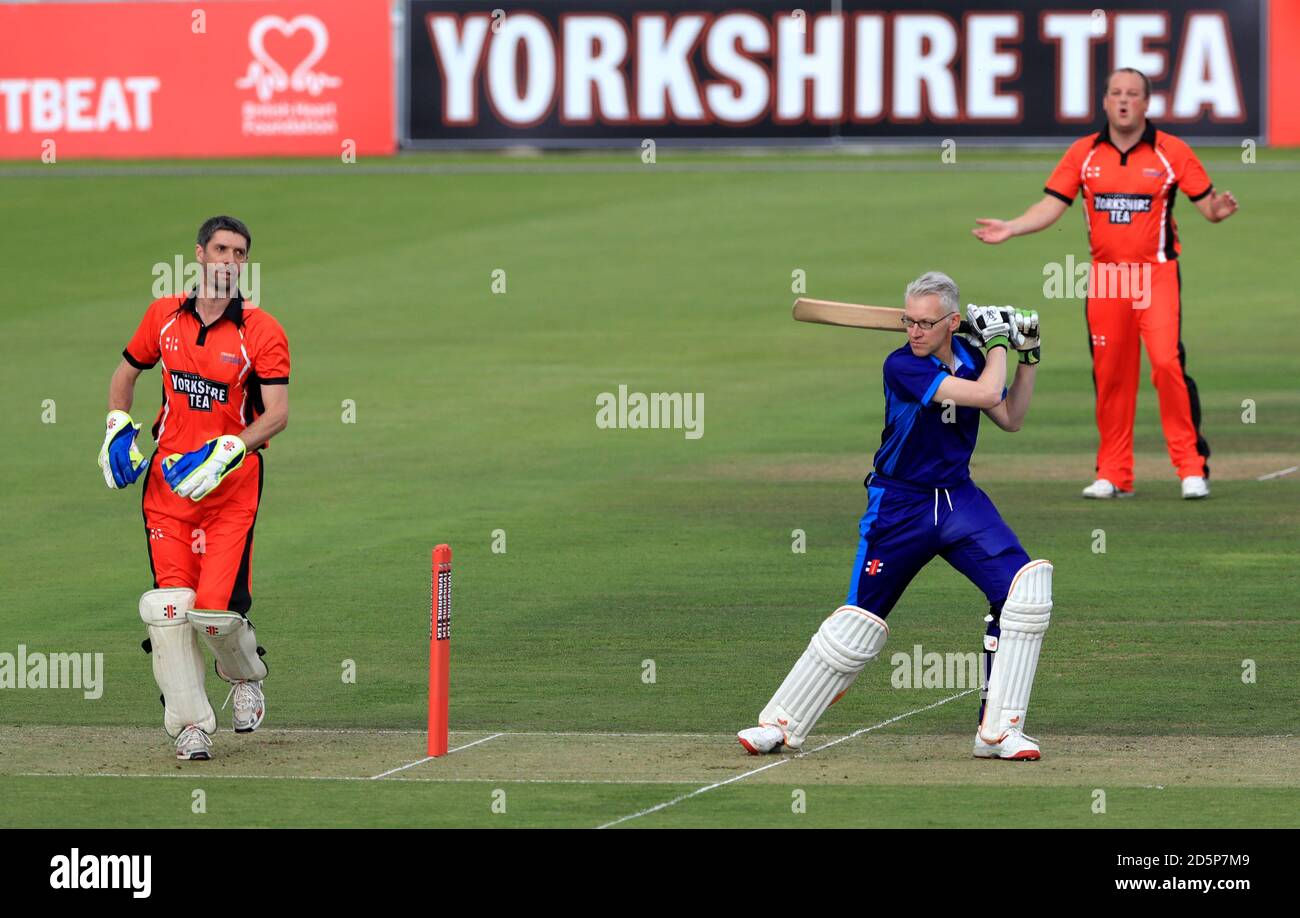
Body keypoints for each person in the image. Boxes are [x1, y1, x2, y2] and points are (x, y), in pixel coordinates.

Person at [737, 272, 1053, 761]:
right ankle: (779, 724)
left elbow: (1010, 417)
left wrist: (1027, 357)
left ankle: (999, 732)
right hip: (900, 505)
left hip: (958, 500)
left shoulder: (967, 356)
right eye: (908, 320)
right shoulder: (903, 366)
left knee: (1024, 592)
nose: (914, 331)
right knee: (858, 624)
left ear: (951, 322)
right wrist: (997, 343)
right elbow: (987, 394)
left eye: (926, 323)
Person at [972, 67, 1238, 500]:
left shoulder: (1171, 151)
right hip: (1107, 279)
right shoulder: (1085, 153)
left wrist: (1219, 209)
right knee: (1111, 374)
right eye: (1116, 92)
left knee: (1167, 365)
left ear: (1147, 103)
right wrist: (1013, 228)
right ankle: (1114, 473)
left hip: (1156, 273)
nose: (1124, 101)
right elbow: (1051, 204)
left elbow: (1207, 205)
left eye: (1133, 93)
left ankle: (1191, 467)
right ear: (1105, 101)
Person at [98, 215, 290, 761]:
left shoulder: (262, 330)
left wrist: (233, 447)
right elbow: (126, 373)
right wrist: (116, 423)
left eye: (240, 253)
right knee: (169, 610)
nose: (230, 261)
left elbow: (276, 415)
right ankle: (190, 727)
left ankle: (247, 676)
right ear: (200, 255)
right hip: (168, 489)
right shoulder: (163, 316)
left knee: (214, 614)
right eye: (222, 250)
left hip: (231, 489)